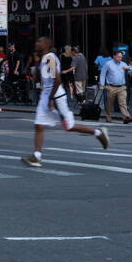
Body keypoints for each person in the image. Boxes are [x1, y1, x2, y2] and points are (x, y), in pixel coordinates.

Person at [22, 36, 109, 168]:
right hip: (46, 96)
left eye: (39, 41)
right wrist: (36, 62)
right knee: (39, 125)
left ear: (46, 44)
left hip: (55, 97)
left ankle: (98, 132)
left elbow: (57, 80)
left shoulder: (50, 57)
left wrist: (51, 99)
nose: (36, 43)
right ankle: (36, 156)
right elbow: (37, 80)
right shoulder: (44, 59)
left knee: (69, 126)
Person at [99, 48, 132, 123]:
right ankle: (108, 115)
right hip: (111, 87)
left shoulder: (123, 64)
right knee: (109, 103)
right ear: (114, 56)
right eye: (118, 57)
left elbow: (131, 70)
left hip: (122, 87)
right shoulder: (108, 64)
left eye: (121, 57)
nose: (120, 58)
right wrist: (101, 84)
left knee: (123, 102)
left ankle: (126, 116)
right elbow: (102, 74)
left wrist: (128, 68)